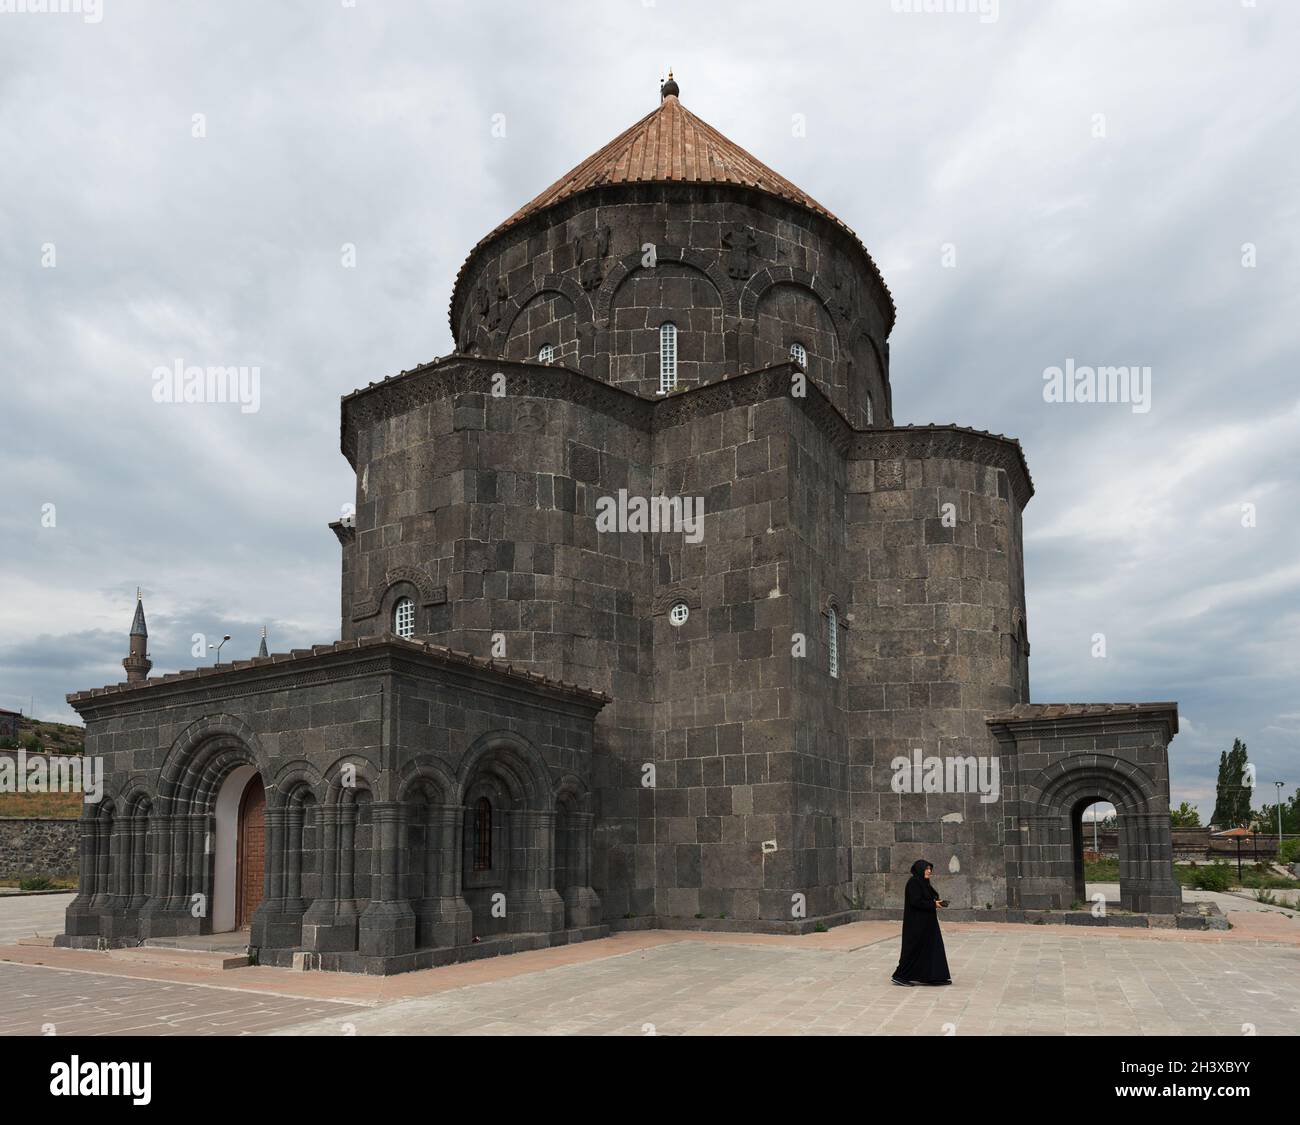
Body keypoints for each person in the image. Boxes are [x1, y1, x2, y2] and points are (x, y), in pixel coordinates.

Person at [891, 858, 952, 986]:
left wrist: (937, 902)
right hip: (916, 924)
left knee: (931, 949)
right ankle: (899, 976)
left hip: (927, 923)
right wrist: (933, 903)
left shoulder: (924, 882)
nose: (929, 871)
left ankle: (933, 976)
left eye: (930, 869)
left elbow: (927, 898)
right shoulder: (914, 883)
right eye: (926, 869)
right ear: (919, 870)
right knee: (913, 949)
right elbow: (916, 902)